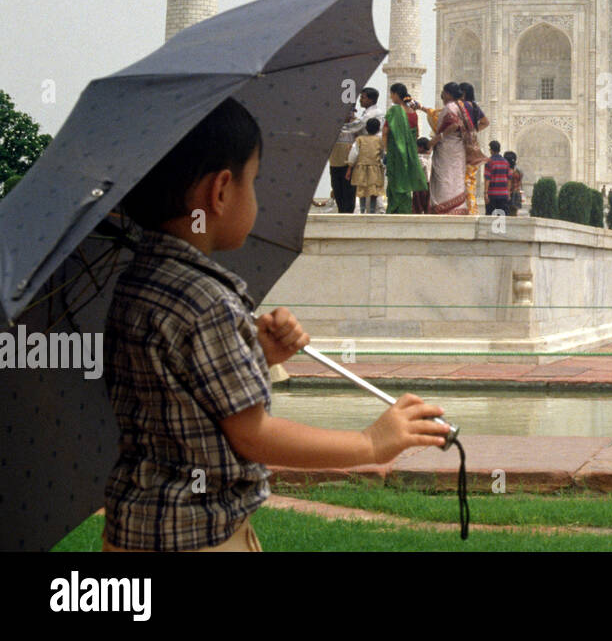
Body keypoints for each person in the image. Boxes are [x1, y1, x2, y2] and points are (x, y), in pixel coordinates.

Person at [103, 98, 449, 552]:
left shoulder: (137, 283)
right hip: (199, 535)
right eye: (254, 182)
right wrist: (370, 443)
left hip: (134, 530)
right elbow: (253, 436)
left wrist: (255, 354)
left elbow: (178, 388)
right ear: (221, 191)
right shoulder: (207, 301)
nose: (257, 197)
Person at [380, 83, 427, 214]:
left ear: (395, 94)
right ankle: (405, 209)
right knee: (406, 182)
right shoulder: (413, 113)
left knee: (395, 182)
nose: (391, 97)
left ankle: (394, 209)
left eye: (391, 94)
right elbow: (416, 134)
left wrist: (386, 151)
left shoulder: (394, 111)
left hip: (395, 153)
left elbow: (385, 132)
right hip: (409, 154)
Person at [425, 82, 469, 214]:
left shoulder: (450, 108)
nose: (441, 96)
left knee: (445, 178)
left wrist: (435, 140)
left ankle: (443, 208)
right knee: (455, 178)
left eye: (443, 93)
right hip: (458, 148)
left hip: (447, 149)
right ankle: (457, 208)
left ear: (448, 94)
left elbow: (454, 125)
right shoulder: (460, 107)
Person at [458, 83, 490, 215]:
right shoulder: (475, 106)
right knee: (470, 178)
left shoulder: (462, 105)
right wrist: (474, 130)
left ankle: (464, 207)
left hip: (463, 144)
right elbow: (486, 122)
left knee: (462, 177)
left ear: (463, 93)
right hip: (473, 144)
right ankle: (472, 207)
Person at [346, 118, 385, 213]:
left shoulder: (359, 139)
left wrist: (350, 168)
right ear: (378, 128)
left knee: (361, 190)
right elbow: (383, 154)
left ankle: (362, 210)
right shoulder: (379, 140)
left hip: (361, 168)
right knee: (373, 191)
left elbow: (353, 154)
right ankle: (371, 210)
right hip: (375, 168)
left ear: (366, 128)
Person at [483, 140, 511, 216]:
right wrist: (508, 193)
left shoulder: (489, 162)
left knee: (490, 218)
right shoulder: (506, 162)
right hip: (503, 195)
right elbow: (509, 179)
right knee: (503, 218)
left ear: (491, 150)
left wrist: (485, 193)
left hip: (492, 195)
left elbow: (487, 179)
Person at [412, 137, 433, 214]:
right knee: (427, 205)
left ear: (420, 148)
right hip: (429, 184)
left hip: (420, 184)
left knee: (417, 205)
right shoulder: (430, 158)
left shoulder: (419, 158)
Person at [504, 150, 523, 216]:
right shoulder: (519, 171)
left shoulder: (508, 172)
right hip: (517, 194)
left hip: (509, 194)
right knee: (514, 214)